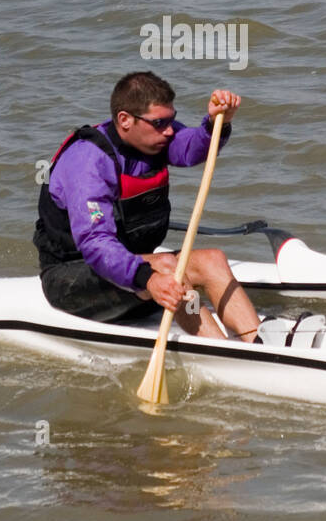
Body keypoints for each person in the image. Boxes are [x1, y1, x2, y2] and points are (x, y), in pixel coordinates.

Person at [33, 71, 263, 342]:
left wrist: (216, 123)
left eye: (171, 120)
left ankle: (257, 344)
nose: (169, 130)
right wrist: (148, 279)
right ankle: (223, 353)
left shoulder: (154, 138)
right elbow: (95, 244)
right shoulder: (88, 162)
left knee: (212, 259)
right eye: (159, 123)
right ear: (125, 120)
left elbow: (190, 149)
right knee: (167, 266)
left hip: (131, 273)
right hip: (73, 282)